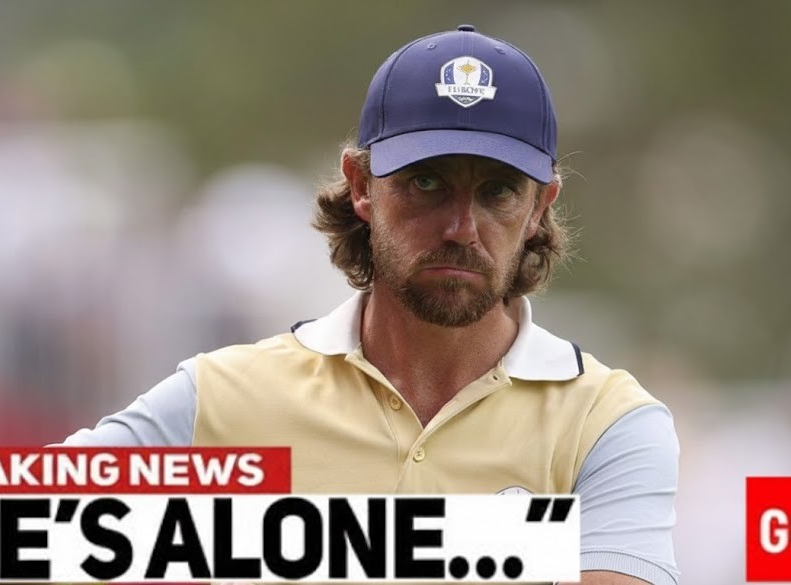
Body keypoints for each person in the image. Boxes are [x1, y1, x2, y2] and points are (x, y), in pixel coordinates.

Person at [61, 24, 680, 584]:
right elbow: (16, 529)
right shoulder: (223, 399)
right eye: (427, 183)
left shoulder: (606, 424)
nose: (461, 228)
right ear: (361, 186)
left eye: (498, 191)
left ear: (540, 206)